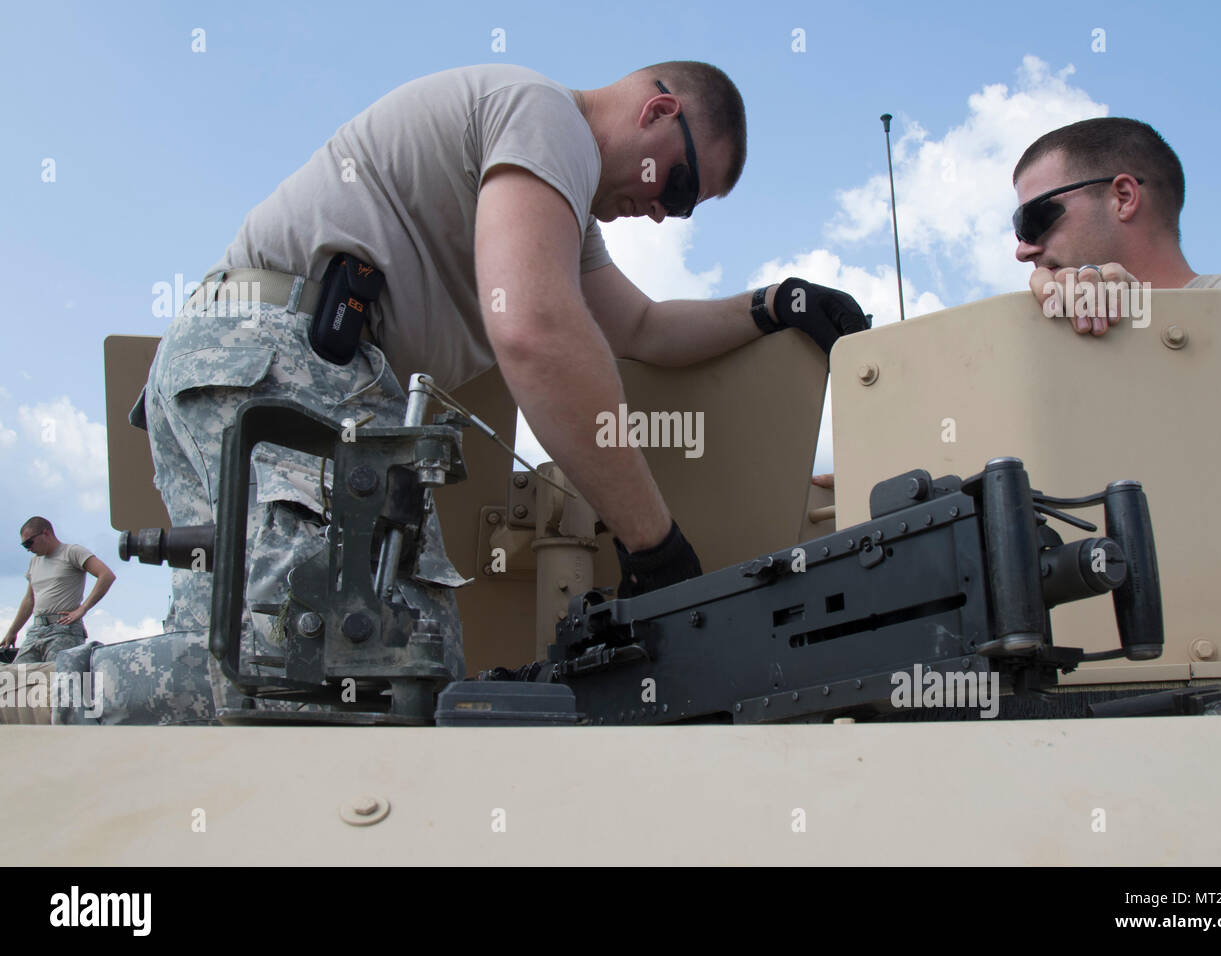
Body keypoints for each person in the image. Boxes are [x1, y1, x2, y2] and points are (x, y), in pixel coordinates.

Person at [107, 61, 867, 723]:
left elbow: (643, 328)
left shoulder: (551, 182)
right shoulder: (547, 119)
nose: (668, 211)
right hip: (283, 363)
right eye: (679, 184)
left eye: (686, 205)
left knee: (243, 652)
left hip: (236, 361)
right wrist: (654, 543)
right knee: (389, 649)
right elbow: (534, 330)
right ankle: (53, 691)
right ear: (658, 111)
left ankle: (66, 700)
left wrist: (773, 304)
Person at [1012, 117, 1221, 335]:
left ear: (1123, 197)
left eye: (1034, 218)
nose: (1023, 250)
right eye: (1019, 230)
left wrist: (1148, 320)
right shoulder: (1053, 332)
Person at [2, 517, 115, 664]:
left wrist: (83, 609)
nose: (28, 548)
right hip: (37, 629)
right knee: (16, 678)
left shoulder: (72, 552)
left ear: (45, 533)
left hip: (64, 629)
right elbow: (30, 600)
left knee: (58, 678)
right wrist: (12, 631)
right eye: (24, 545)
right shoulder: (34, 562)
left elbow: (106, 575)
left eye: (29, 543)